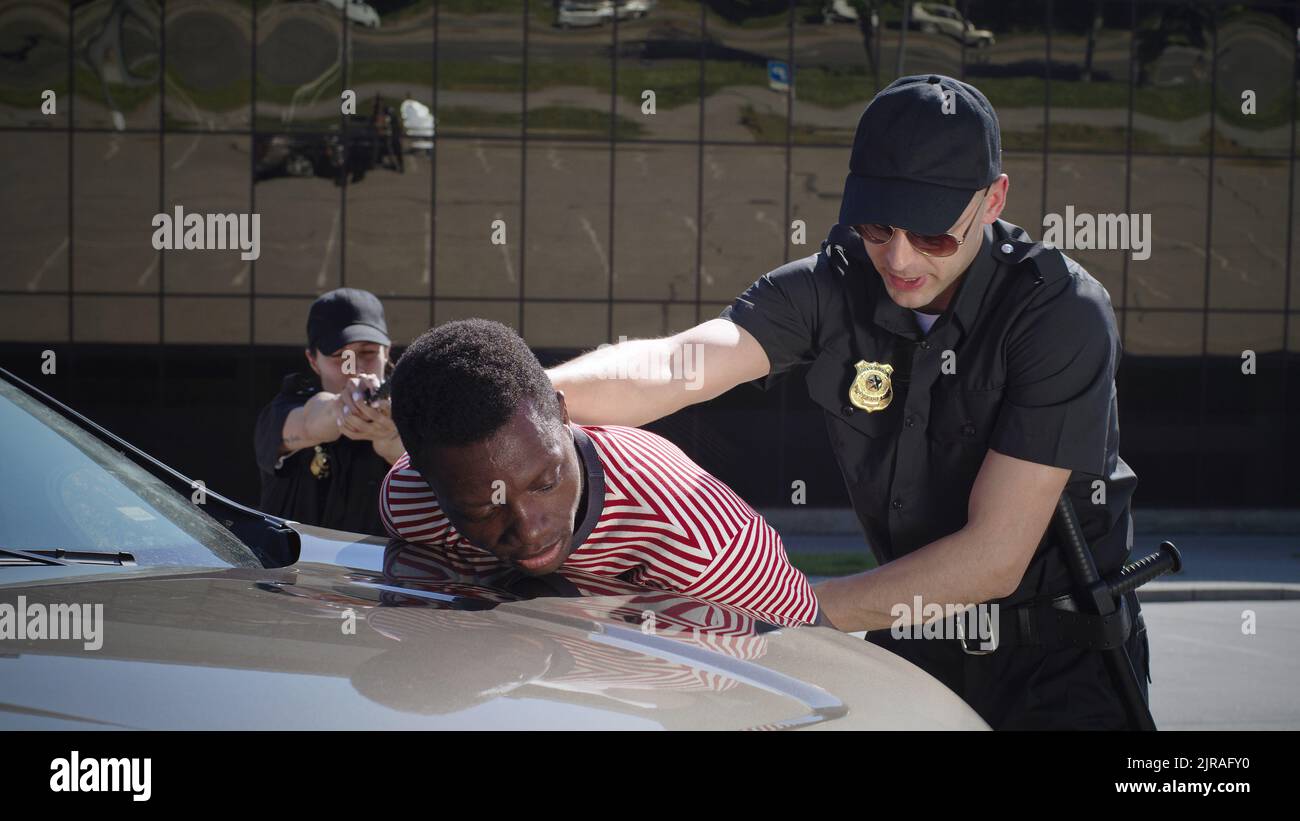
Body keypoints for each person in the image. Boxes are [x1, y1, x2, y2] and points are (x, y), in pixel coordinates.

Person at [543, 74, 1149, 730]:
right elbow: (677, 365)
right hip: (915, 639)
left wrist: (803, 611)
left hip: (1060, 666)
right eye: (876, 224)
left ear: (993, 198)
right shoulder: (834, 282)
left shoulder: (1058, 312)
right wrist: (522, 405)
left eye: (933, 236)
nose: (899, 256)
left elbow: (993, 555)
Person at [377, 319, 823, 628]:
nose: (530, 532)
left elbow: (809, 652)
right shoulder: (408, 504)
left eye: (546, 481)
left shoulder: (706, 538)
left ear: (561, 412)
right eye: (482, 508)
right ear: (427, 477)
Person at [254, 288, 404, 537]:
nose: (355, 368)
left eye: (368, 353)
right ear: (313, 360)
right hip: (294, 573)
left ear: (386, 352)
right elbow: (309, 421)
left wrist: (390, 438)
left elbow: (429, 470)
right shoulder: (284, 407)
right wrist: (340, 409)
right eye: (339, 356)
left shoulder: (415, 416)